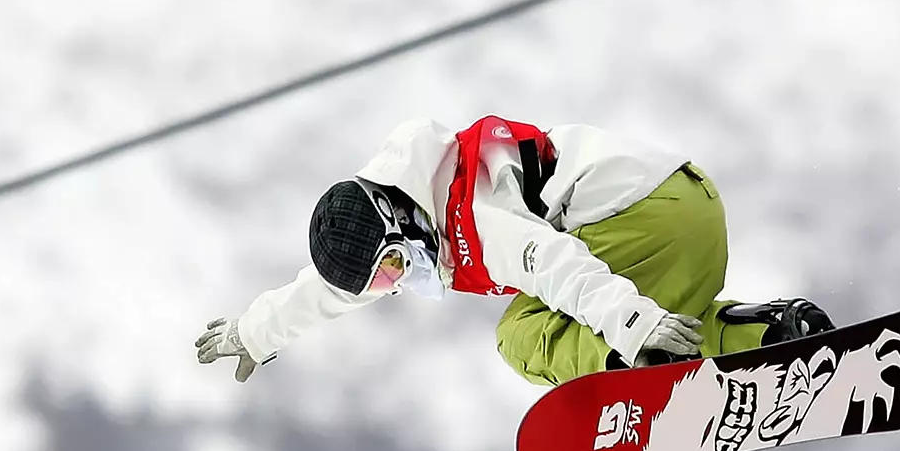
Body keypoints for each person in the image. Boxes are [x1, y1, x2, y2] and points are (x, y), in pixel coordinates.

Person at [195, 115, 834, 386]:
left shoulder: (473, 215)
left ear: (401, 224)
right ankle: (770, 338)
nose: (397, 283)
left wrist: (630, 327)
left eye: (390, 268)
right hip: (689, 207)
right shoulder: (426, 195)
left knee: (521, 333)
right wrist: (256, 331)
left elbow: (554, 264)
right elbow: (331, 290)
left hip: (646, 217)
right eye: (383, 287)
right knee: (670, 333)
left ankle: (625, 367)